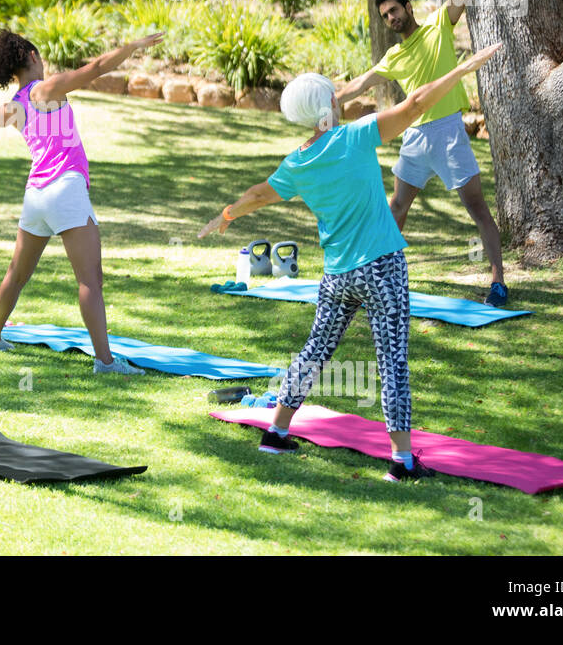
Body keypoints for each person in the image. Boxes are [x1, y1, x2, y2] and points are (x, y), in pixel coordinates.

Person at [200, 42, 502, 481]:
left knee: (314, 352)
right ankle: (401, 461)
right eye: (332, 99)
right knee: (392, 360)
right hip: (381, 267)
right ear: (325, 109)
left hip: (338, 275)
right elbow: (416, 103)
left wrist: (227, 215)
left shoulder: (297, 163)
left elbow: (260, 194)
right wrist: (461, 70)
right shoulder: (356, 136)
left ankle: (277, 432)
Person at [0, 30, 163, 374]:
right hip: (65, 189)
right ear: (33, 57)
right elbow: (95, 68)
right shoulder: (46, 90)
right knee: (90, 280)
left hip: (36, 196)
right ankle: (106, 362)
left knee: (17, 274)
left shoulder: (15, 106)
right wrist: (132, 47)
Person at [336, 0, 524, 306]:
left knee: (476, 207)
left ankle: (498, 282)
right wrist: (331, 95)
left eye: (394, 10)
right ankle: (380, 277)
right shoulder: (394, 58)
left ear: (407, 6)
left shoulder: (439, 25)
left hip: (449, 132)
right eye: (385, 15)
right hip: (415, 137)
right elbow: (360, 82)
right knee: (397, 208)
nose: (390, 18)